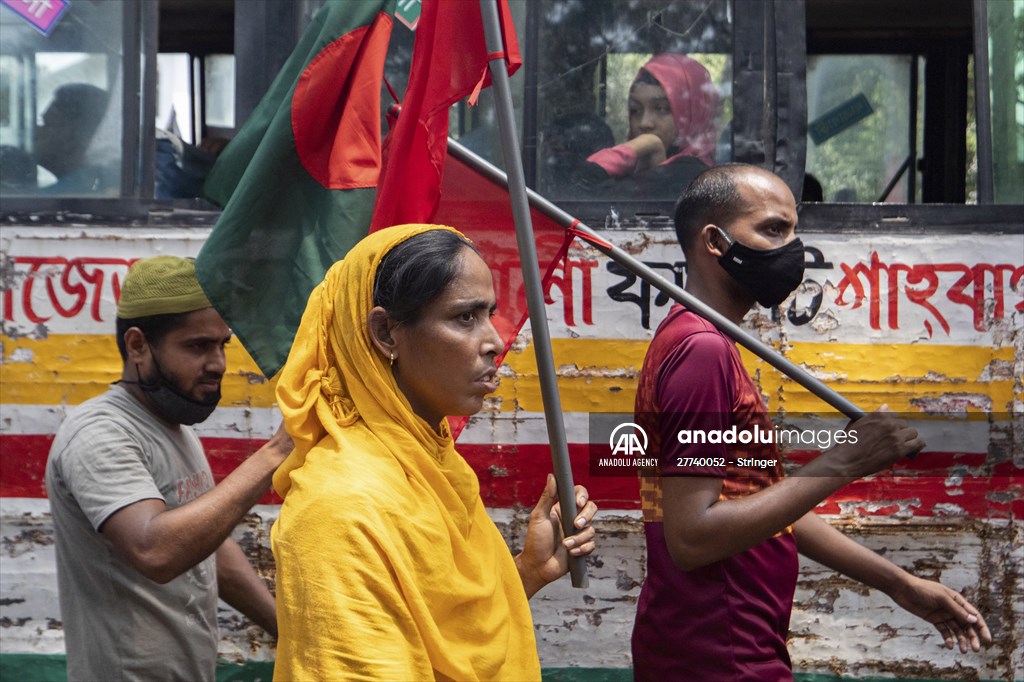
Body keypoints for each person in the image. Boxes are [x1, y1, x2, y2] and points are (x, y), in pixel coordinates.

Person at [631, 164, 991, 680]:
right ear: (715, 241)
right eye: (773, 230)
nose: (793, 249)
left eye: (794, 231)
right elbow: (692, 538)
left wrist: (898, 583)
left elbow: (764, 504)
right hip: (720, 653)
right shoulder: (702, 351)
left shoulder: (700, 342)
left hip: (721, 645)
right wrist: (843, 461)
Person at [270, 224, 598, 680]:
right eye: (465, 318)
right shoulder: (339, 509)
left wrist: (529, 571)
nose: (494, 342)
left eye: (489, 314)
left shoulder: (435, 464)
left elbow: (445, 637)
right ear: (385, 333)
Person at [45, 256, 292, 681]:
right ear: (138, 345)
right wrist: (276, 453)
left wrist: (289, 633)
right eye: (197, 346)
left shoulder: (172, 427)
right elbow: (155, 551)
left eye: (222, 345)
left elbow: (210, 551)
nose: (217, 363)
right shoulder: (100, 433)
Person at [584, 53, 718, 197]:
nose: (644, 123)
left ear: (693, 114)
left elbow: (578, 187)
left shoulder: (691, 177)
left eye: (661, 109)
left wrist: (626, 151)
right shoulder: (645, 173)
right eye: (635, 110)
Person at [33, 83, 118, 194]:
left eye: (47, 124)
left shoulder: (50, 201)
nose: (36, 131)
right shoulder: (97, 190)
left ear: (73, 135)